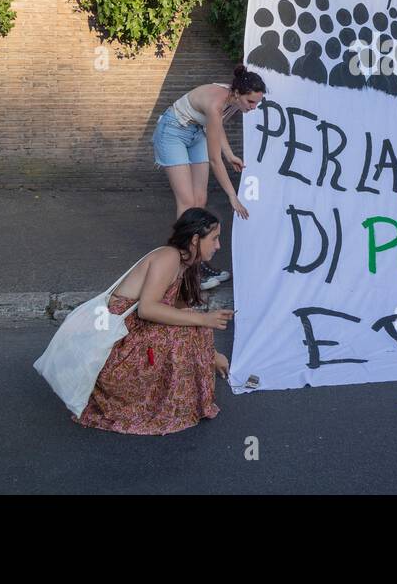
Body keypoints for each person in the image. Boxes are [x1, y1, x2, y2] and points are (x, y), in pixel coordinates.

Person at [75, 208, 235, 435]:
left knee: (194, 324)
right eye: (215, 238)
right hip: (117, 345)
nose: (218, 246)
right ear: (196, 239)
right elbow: (147, 309)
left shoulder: (185, 265)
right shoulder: (169, 257)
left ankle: (179, 403)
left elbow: (180, 313)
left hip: (131, 333)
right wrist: (203, 318)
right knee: (190, 327)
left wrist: (213, 354)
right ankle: (165, 405)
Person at [152, 64, 265, 289]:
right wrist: (232, 196)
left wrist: (230, 153)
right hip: (173, 131)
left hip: (197, 133)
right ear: (237, 93)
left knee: (200, 202)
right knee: (187, 203)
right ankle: (184, 269)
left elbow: (217, 128)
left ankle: (197, 262)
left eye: (257, 103)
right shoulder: (216, 103)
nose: (253, 108)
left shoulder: (232, 101)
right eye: (250, 102)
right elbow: (215, 160)